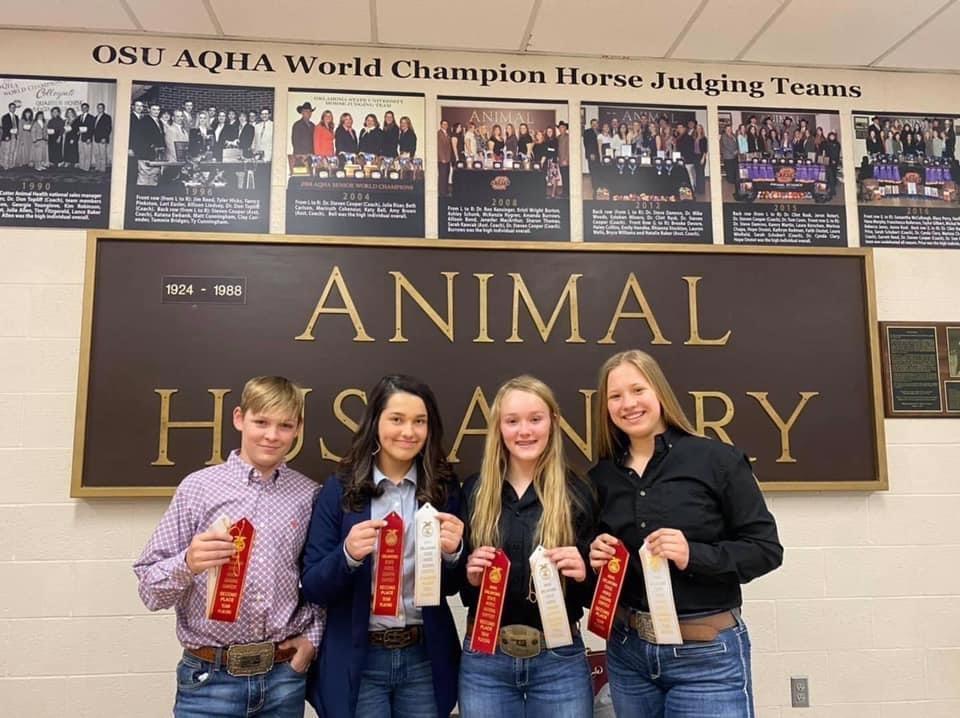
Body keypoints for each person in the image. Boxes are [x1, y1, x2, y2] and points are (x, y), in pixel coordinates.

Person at [588, 350, 782, 718]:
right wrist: (593, 553)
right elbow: (596, 559)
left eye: (637, 390)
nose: (628, 403)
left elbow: (765, 550)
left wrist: (694, 554)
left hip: (706, 653)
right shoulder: (601, 478)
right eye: (615, 396)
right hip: (629, 654)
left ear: (659, 392)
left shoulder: (717, 460)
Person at [133, 376, 324, 718]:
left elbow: (319, 578)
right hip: (209, 681)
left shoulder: (308, 495)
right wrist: (188, 562)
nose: (271, 435)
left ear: (298, 429)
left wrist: (311, 639)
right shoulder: (198, 488)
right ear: (239, 418)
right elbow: (149, 591)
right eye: (261, 422)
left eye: (284, 425)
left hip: (282, 679)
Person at [301, 375, 464, 718]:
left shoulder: (444, 489)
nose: (408, 432)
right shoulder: (340, 490)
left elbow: (454, 587)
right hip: (361, 661)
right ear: (375, 423)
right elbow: (314, 585)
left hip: (423, 656)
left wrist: (453, 555)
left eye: (419, 421)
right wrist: (346, 556)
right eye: (397, 419)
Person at [459, 376, 595, 718]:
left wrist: (585, 572)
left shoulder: (578, 492)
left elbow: (600, 590)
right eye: (512, 421)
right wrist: (468, 572)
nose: (525, 431)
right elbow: (456, 584)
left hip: (559, 659)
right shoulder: (475, 491)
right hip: (485, 659)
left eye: (535, 419)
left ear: (553, 421)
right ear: (498, 428)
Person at [134, 103, 164, 184]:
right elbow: (140, 137)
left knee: (154, 176)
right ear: (149, 110)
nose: (156, 112)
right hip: (145, 153)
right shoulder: (144, 121)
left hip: (156, 155)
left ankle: (150, 194)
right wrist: (151, 146)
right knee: (144, 176)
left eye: (158, 110)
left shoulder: (159, 122)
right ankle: (140, 194)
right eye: (154, 109)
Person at [92, 102, 112, 172]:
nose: (99, 109)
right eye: (98, 107)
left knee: (102, 154)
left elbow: (108, 128)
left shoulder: (107, 117)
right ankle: (97, 167)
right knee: (97, 154)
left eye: (101, 107)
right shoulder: (95, 117)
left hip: (102, 139)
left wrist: (104, 138)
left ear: (103, 108)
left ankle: (103, 168)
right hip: (95, 138)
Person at [77, 102, 96, 170]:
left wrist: (89, 138)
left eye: (85, 107)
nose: (84, 109)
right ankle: (81, 167)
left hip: (87, 138)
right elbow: (78, 126)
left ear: (88, 108)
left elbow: (92, 129)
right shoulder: (79, 117)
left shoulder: (91, 117)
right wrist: (77, 131)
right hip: (80, 138)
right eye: (82, 108)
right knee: (81, 153)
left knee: (87, 154)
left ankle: (86, 168)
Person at [437, 119, 451, 196]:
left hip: (448, 158)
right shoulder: (439, 133)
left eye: (446, 124)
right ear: (441, 125)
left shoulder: (447, 134)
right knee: (442, 175)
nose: (445, 126)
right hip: (442, 159)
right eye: (444, 124)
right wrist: (442, 158)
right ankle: (442, 192)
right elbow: (439, 147)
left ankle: (445, 191)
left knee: (446, 175)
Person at [556, 121, 570, 196]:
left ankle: (566, 192)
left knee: (566, 177)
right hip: (560, 160)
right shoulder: (558, 137)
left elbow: (569, 149)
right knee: (563, 176)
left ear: (565, 128)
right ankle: (565, 191)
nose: (561, 129)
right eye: (560, 127)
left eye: (563, 127)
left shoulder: (568, 137)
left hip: (565, 161)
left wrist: (566, 159)